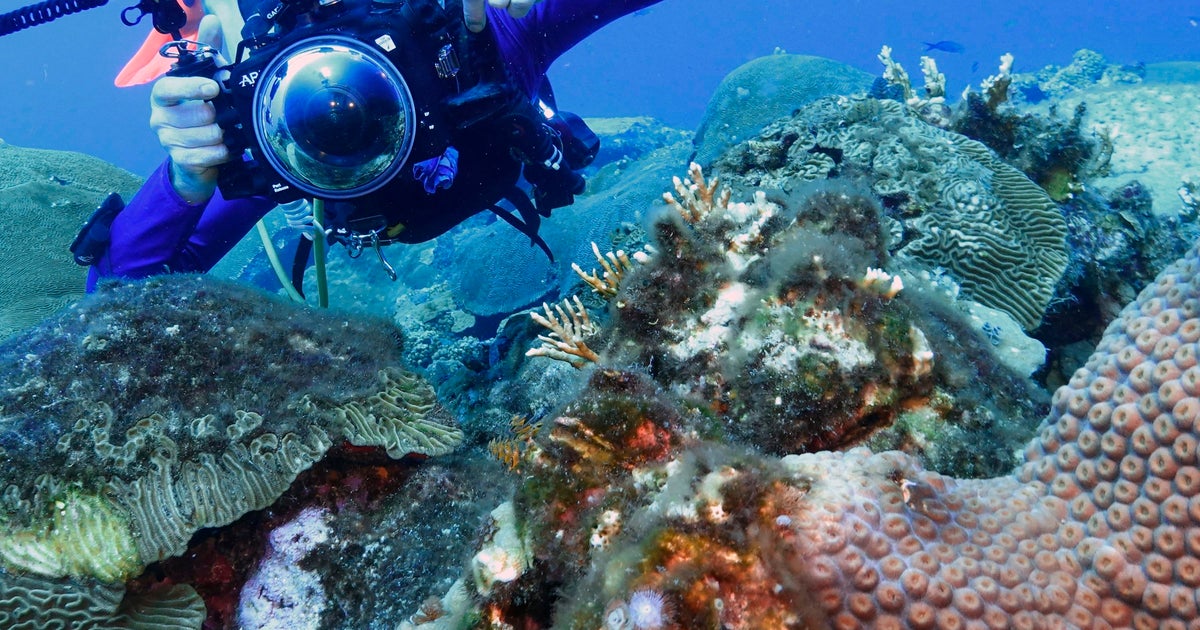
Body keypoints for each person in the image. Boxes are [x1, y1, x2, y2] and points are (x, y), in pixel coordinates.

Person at [84, 0, 661, 290]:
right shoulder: (278, 133)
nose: (333, 95)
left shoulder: (480, 39)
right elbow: (118, 304)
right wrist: (185, 179)